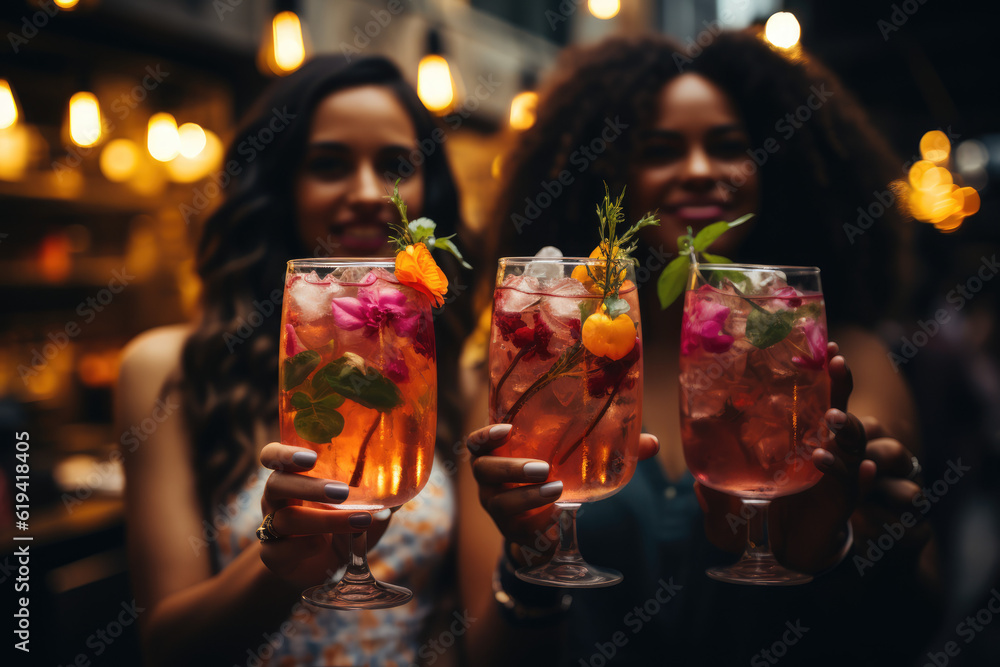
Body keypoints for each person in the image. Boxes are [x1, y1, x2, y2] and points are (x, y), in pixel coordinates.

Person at [457, 31, 940, 665]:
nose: (700, 170)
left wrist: (845, 550)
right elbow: (485, 653)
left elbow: (914, 628)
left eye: (729, 146)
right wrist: (529, 565)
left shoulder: (845, 360)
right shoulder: (538, 372)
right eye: (660, 150)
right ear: (607, 175)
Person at [116, 55, 473, 666]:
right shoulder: (165, 369)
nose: (369, 194)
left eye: (395, 166)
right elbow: (166, 648)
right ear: (279, 185)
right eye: (329, 164)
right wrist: (285, 569)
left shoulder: (455, 377)